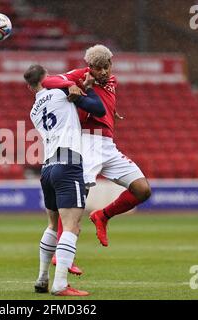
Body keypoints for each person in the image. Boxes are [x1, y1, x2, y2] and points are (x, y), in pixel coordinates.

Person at [42, 45, 152, 268]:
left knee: (142, 189)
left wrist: (112, 112)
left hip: (108, 147)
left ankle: (102, 216)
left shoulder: (113, 81)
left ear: (111, 64)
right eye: (98, 68)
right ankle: (63, 256)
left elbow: (104, 102)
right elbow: (48, 81)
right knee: (77, 198)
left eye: (106, 67)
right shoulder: (80, 75)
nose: (103, 72)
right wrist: (71, 84)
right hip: (87, 142)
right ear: (89, 67)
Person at [24, 64, 105, 296]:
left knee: (52, 224)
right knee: (71, 226)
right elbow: (97, 109)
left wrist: (74, 86)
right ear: (47, 77)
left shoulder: (33, 110)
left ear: (30, 87)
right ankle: (60, 284)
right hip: (68, 163)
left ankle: (42, 278)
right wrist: (86, 88)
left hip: (48, 167)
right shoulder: (61, 92)